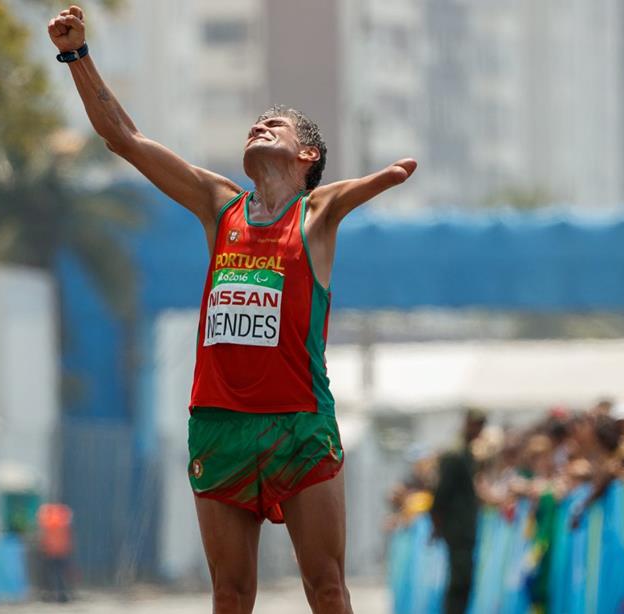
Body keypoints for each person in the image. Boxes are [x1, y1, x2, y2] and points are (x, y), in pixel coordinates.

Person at [47, 7, 416, 613]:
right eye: (255, 123)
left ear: (306, 157)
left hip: (299, 422)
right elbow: (125, 140)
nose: (258, 127)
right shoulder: (220, 206)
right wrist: (77, 56)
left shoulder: (315, 215)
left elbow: (344, 194)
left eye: (274, 125)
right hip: (218, 423)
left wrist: (379, 180)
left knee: (325, 588)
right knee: (230, 593)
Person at [431, 408, 487, 614]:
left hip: (463, 527)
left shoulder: (467, 454)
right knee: (459, 581)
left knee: (463, 580)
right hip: (457, 528)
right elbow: (441, 494)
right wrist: (437, 525)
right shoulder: (455, 455)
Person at [36, 503, 73, 603]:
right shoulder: (63, 522)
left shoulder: (47, 523)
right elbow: (68, 538)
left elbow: (43, 539)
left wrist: (42, 548)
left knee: (49, 575)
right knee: (60, 575)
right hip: (62, 552)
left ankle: (49, 595)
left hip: (49, 553)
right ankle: (62, 595)